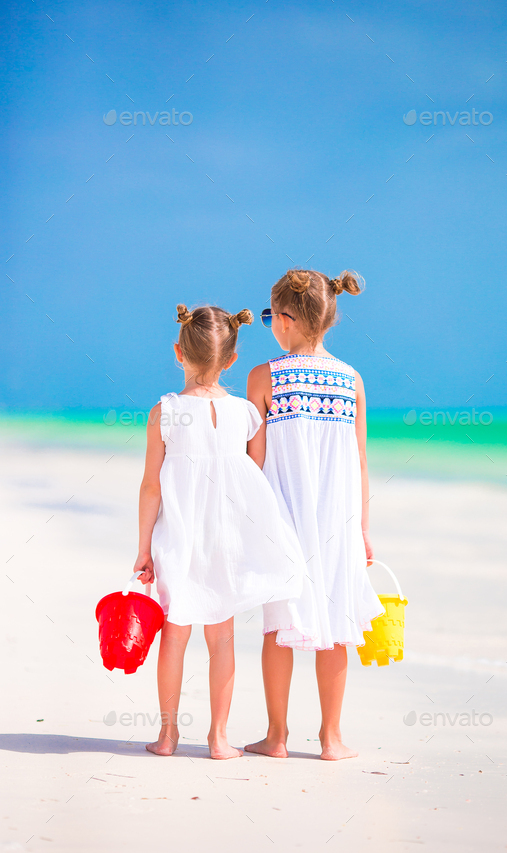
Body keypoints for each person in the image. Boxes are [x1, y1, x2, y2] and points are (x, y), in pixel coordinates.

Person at [134, 303, 303, 760]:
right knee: (222, 638)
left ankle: (168, 736)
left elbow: (152, 487)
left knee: (174, 636)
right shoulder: (246, 414)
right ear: (231, 359)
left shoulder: (165, 412)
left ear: (178, 352)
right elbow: (254, 475)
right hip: (226, 542)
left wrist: (143, 547)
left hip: (180, 539)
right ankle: (219, 738)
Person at [244, 269, 383, 761]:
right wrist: (362, 529)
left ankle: (276, 737)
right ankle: (331, 739)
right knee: (337, 629)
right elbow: (360, 460)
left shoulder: (263, 377)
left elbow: (254, 464)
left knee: (277, 628)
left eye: (269, 317)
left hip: (283, 520)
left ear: (284, 320)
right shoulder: (352, 379)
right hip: (338, 522)